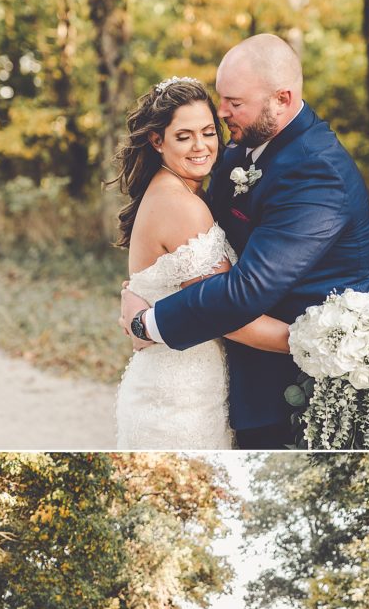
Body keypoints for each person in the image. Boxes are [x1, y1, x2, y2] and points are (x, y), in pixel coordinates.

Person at [120, 34, 369, 450]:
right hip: (226, 378)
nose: (222, 115)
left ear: (282, 98)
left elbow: (246, 290)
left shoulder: (317, 171)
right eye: (221, 100)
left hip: (291, 394)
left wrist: (147, 322)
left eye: (233, 103)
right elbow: (187, 248)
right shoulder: (241, 151)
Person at [113, 77, 290, 449]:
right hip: (181, 397)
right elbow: (226, 315)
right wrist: (319, 343)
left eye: (209, 132)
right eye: (184, 136)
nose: (201, 146)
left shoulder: (172, 190)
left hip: (177, 381)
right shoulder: (181, 205)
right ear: (157, 141)